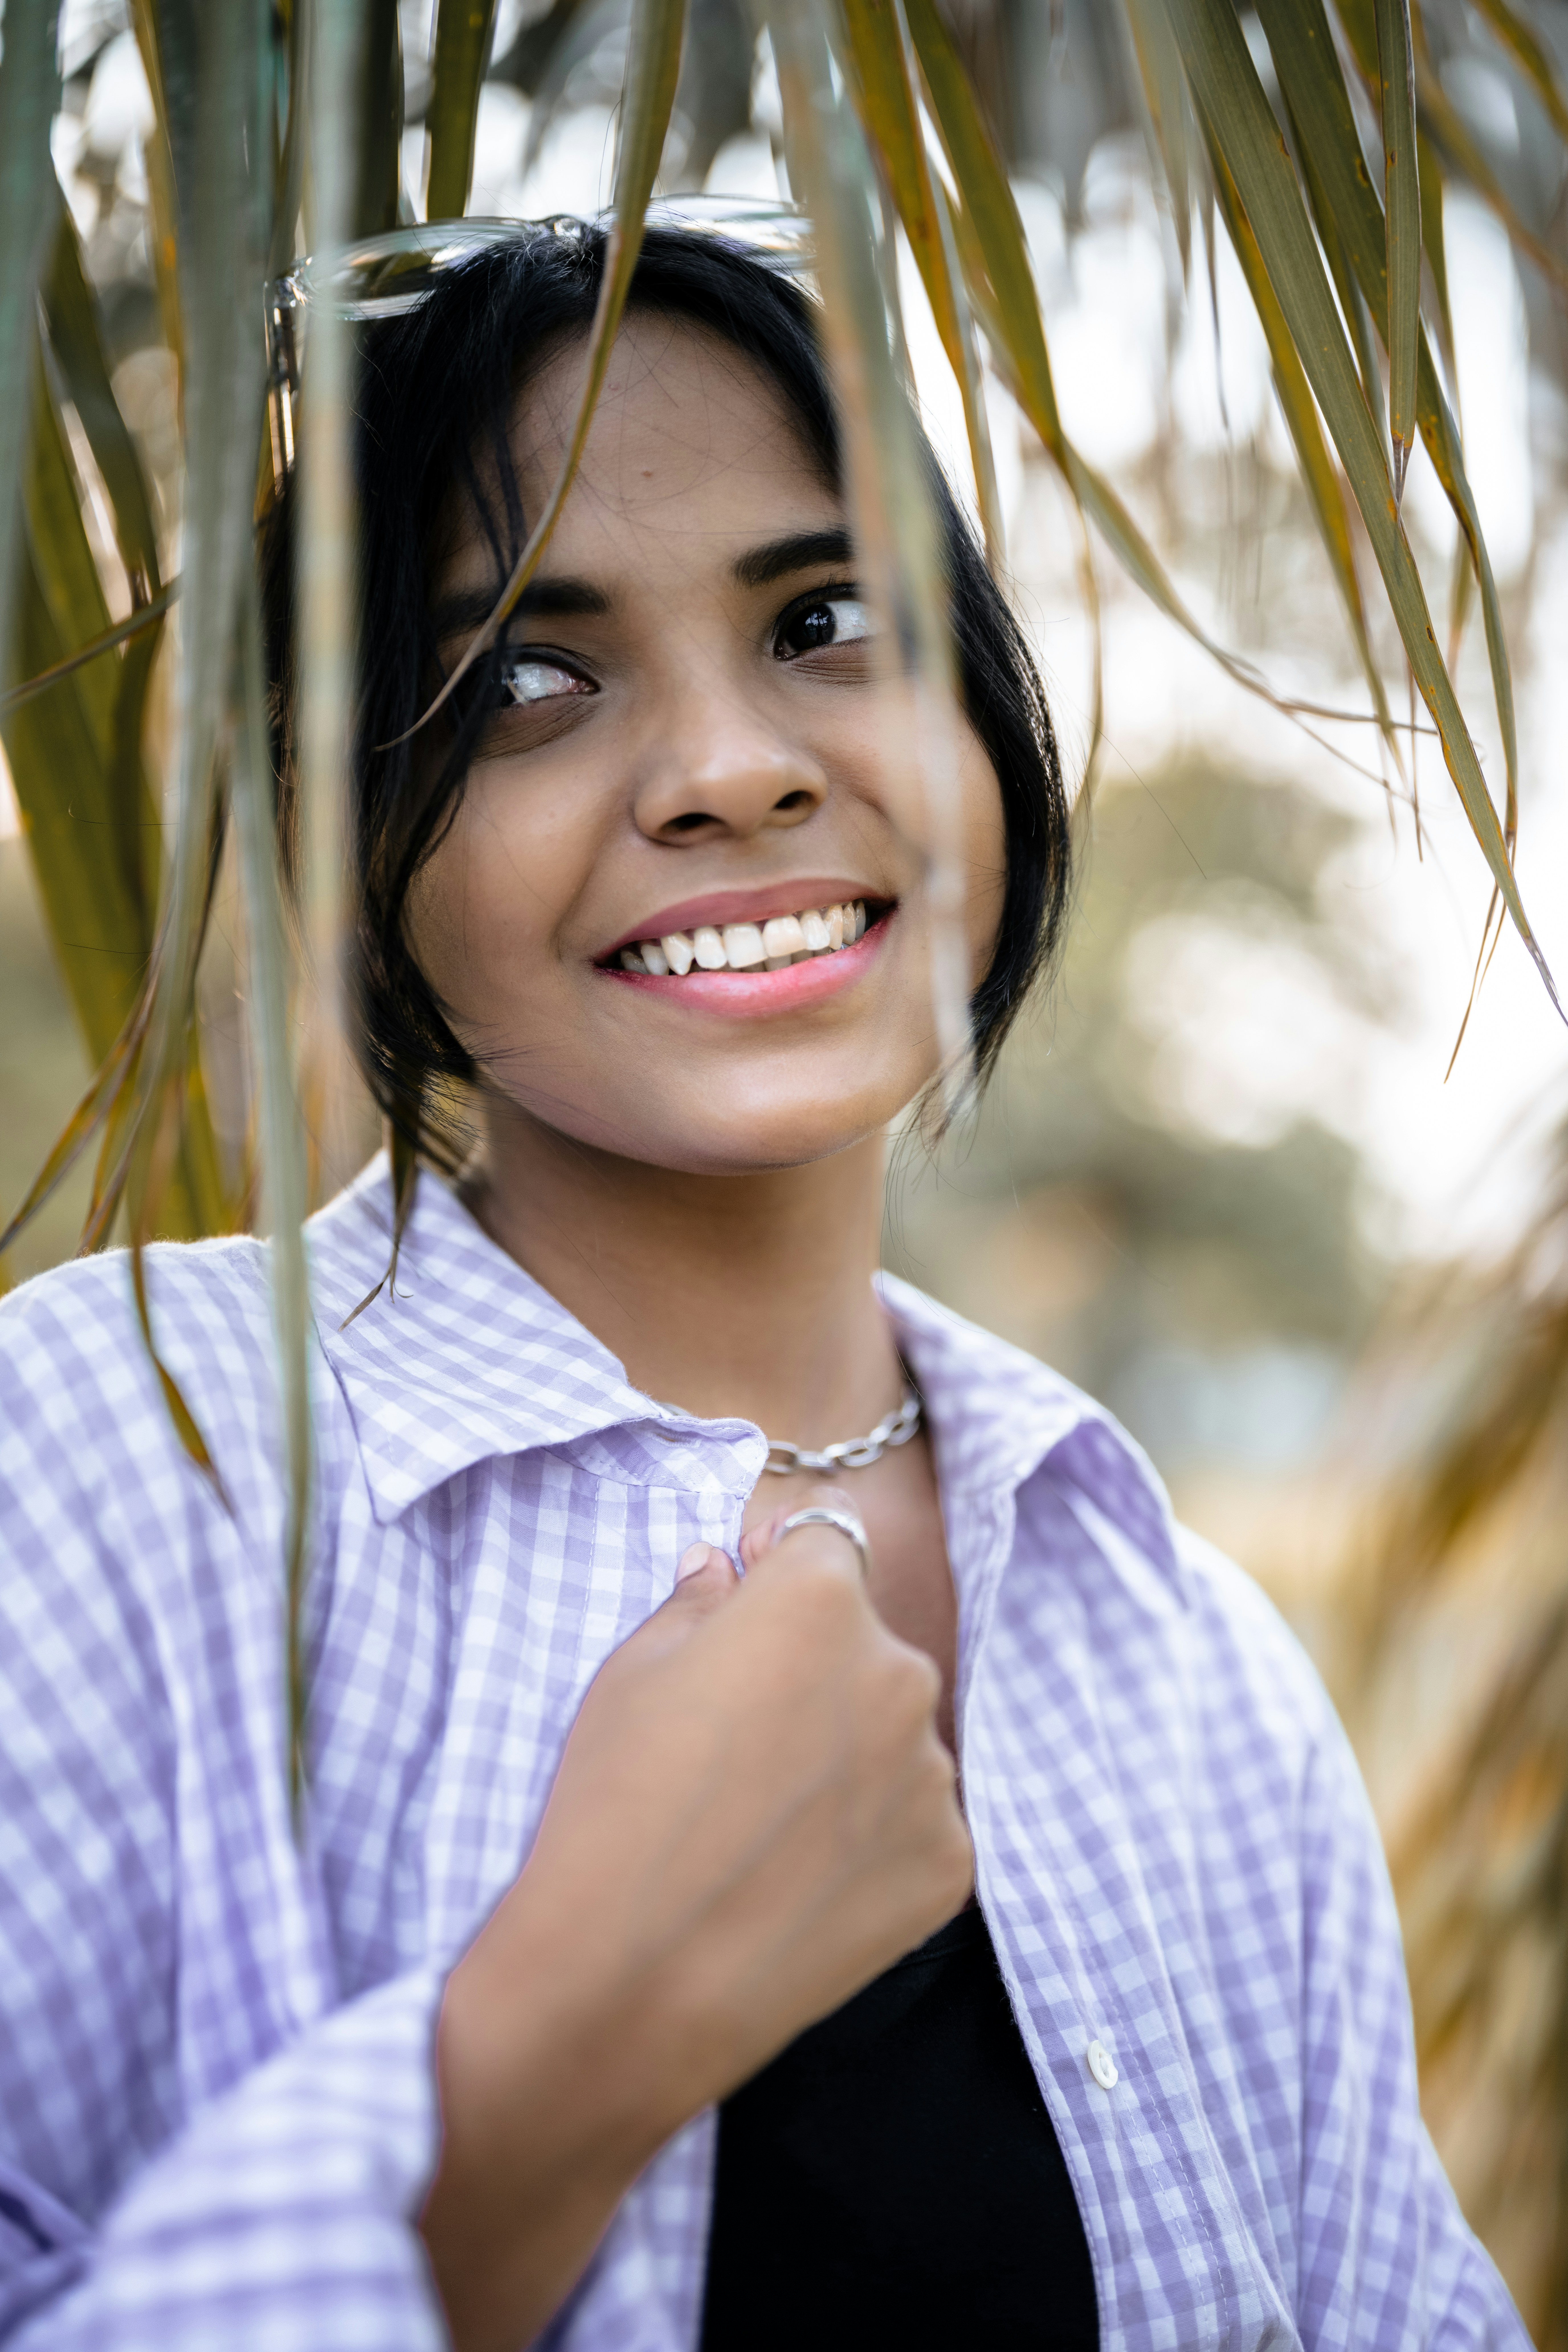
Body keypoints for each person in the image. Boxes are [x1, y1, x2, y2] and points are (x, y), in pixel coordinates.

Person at [0, 220, 1527, 2352]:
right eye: (527, 675)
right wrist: (566, 2043)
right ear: (354, 834)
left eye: (829, 620)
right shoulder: (103, 1470)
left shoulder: (1187, 1658)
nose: (731, 766)